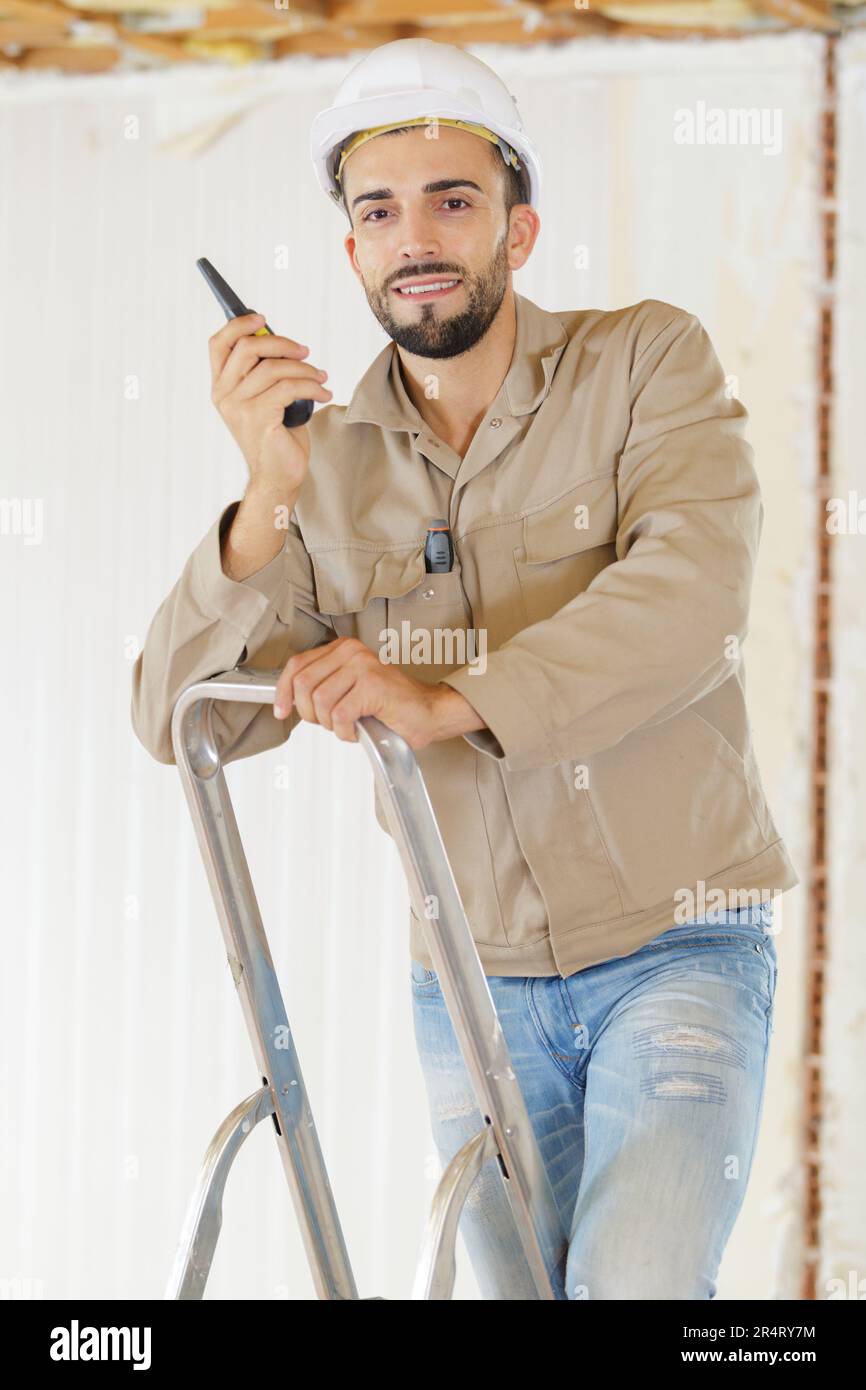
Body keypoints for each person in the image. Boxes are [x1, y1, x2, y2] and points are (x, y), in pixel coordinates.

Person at [131, 37, 799, 1299]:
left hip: (676, 946)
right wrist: (264, 494)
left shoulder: (644, 362)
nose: (416, 238)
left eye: (452, 200)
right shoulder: (321, 467)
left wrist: (447, 700)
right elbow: (176, 720)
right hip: (470, 980)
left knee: (637, 1289)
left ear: (517, 229)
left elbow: (692, 593)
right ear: (351, 253)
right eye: (380, 211)